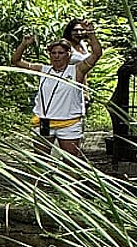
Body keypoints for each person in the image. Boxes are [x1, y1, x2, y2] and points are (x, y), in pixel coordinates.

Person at [11, 25, 102, 157]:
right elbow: (16, 61)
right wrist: (24, 44)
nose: (56, 56)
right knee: (41, 160)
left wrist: (91, 34)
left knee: (71, 161)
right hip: (45, 122)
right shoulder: (43, 69)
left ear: (68, 54)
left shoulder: (77, 70)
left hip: (69, 123)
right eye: (53, 53)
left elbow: (96, 54)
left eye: (60, 53)